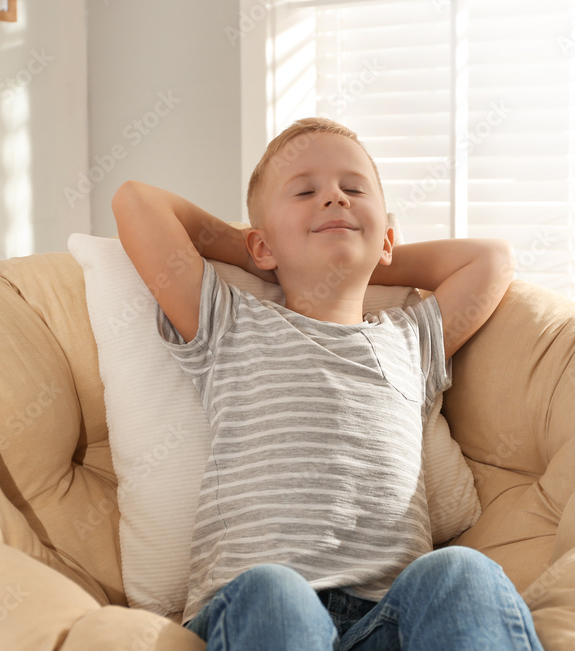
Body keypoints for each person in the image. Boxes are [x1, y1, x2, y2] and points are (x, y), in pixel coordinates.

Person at [112, 117, 543, 650]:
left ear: (388, 238)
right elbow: (136, 203)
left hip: (388, 619)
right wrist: (254, 252)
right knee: (277, 590)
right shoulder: (230, 322)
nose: (334, 198)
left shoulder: (412, 340)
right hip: (266, 617)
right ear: (261, 248)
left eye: (353, 189)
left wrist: (361, 249)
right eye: (306, 191)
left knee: (460, 570)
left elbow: (492, 259)